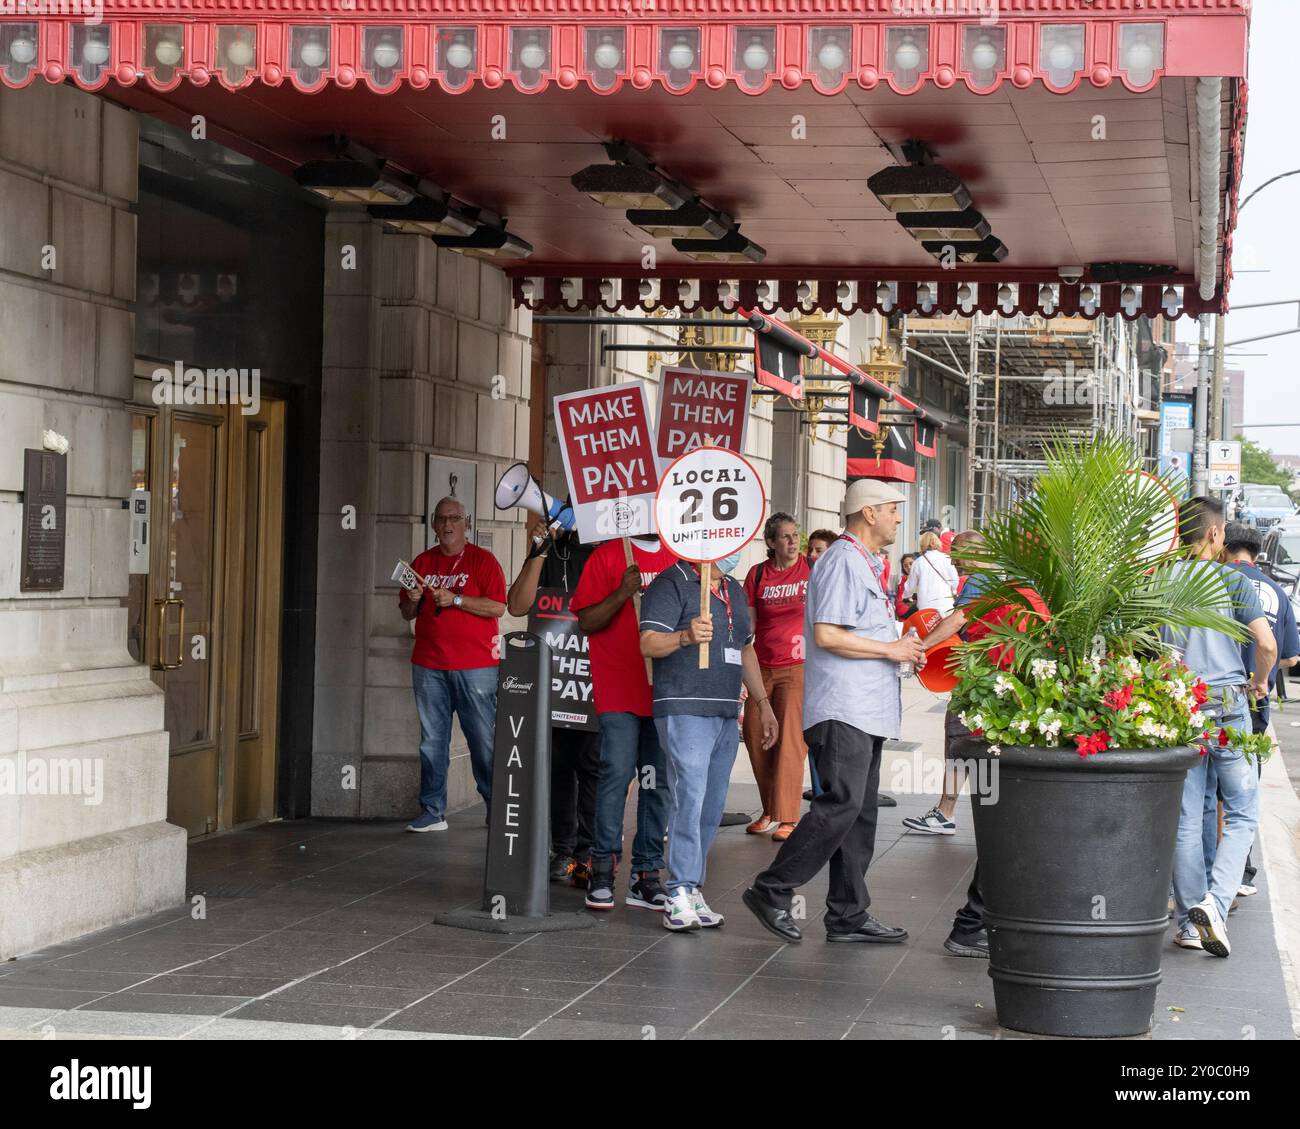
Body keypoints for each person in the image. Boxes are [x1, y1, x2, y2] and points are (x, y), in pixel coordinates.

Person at [742, 480, 926, 944]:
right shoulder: (844, 560)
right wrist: (890, 649)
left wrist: (901, 646)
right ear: (868, 513)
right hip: (844, 709)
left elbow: (864, 631)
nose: (898, 519)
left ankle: (848, 914)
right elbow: (827, 635)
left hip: (865, 709)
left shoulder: (864, 563)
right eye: (892, 510)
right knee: (841, 804)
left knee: (859, 812)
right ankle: (772, 889)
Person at [910, 530, 1049, 957]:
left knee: (1006, 825)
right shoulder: (1004, 588)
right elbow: (958, 622)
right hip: (994, 714)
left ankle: (977, 921)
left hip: (1008, 714)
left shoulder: (1020, 589)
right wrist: (916, 647)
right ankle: (973, 923)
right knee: (1003, 823)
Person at [640, 554, 777, 931]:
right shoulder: (670, 582)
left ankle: (692, 885)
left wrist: (763, 703)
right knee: (691, 796)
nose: (735, 549)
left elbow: (745, 648)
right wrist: (684, 636)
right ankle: (679, 889)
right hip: (683, 706)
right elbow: (647, 642)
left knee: (711, 805)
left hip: (724, 710)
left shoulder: (731, 587)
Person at [1162, 497, 1274, 958]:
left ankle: (1192, 923)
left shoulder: (1161, 581)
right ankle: (1216, 903)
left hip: (1181, 706)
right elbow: (1266, 644)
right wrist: (1260, 682)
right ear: (1213, 533)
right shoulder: (1230, 580)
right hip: (1228, 705)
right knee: (1243, 812)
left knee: (1187, 818)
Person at [570, 533, 677, 912]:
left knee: (655, 780)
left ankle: (646, 875)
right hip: (618, 687)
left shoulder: (677, 553)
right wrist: (621, 593)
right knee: (615, 775)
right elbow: (585, 620)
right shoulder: (607, 555)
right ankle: (601, 870)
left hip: (663, 690)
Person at [399, 496, 506, 832]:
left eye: (455, 518)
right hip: (429, 664)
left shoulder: (483, 561)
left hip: (476, 665)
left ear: (467, 523)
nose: (448, 525)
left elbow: (498, 607)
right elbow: (405, 613)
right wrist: (413, 601)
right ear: (433, 524)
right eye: (442, 519)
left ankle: (496, 806)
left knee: (482, 741)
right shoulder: (421, 562)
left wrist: (456, 599)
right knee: (432, 741)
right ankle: (432, 811)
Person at [506, 516, 601, 889]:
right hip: (556, 680)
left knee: (593, 766)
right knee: (558, 766)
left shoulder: (607, 554)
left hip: (592, 677)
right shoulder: (550, 553)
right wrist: (539, 552)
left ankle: (588, 853)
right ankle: (564, 849)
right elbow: (517, 606)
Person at [1221, 522, 1298, 897]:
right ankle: (1239, 873)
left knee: (1204, 793)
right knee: (1242, 792)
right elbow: (1290, 655)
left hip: (1206, 693)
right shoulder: (1276, 593)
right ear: (1257, 553)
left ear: (1223, 545)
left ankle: (1202, 874)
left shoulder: (1210, 578)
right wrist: (1261, 675)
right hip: (1253, 699)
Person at [741, 513, 812, 841]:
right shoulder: (757, 576)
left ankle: (788, 816)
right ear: (770, 543)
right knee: (755, 734)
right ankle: (769, 809)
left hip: (796, 666)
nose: (792, 541)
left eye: (795, 535)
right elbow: (748, 628)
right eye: (784, 536)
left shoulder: (811, 570)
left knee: (789, 741)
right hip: (762, 665)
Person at [902, 531, 961, 618]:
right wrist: (953, 590)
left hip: (926, 607)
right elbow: (955, 580)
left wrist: (906, 595)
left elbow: (910, 587)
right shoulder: (947, 559)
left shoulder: (918, 562)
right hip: (946, 605)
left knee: (929, 631)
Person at [895, 552, 919, 621]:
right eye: (905, 565)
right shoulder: (905, 578)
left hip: (907, 607)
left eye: (911, 563)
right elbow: (903, 597)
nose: (908, 567)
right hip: (904, 608)